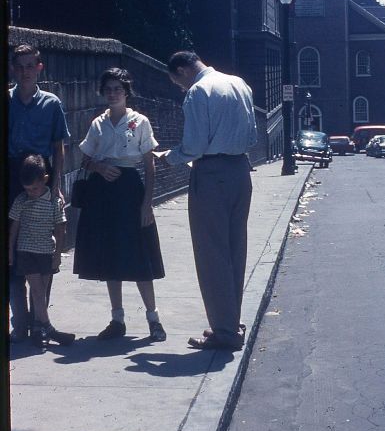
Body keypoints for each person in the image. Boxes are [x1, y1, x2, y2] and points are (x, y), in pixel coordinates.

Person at [156, 50, 257, 351]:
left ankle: (225, 330)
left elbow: (195, 145)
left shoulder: (198, 92)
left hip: (212, 173)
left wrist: (168, 157)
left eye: (178, 83)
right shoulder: (239, 84)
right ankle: (230, 320)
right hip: (241, 169)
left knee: (211, 253)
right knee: (234, 249)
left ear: (183, 70)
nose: (180, 89)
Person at [73, 68, 166, 341]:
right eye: (109, 89)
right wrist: (99, 167)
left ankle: (154, 319)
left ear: (126, 92)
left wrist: (146, 205)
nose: (113, 94)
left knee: (139, 256)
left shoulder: (140, 122)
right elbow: (85, 160)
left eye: (118, 89)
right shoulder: (98, 124)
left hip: (130, 190)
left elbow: (150, 167)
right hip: (103, 192)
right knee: (110, 255)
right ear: (103, 92)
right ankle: (117, 319)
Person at [8, 44, 70, 343]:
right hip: (11, 175)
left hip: (41, 177)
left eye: (30, 65)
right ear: (12, 69)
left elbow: (59, 146)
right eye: (19, 66)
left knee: (42, 251)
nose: (24, 71)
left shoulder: (52, 103)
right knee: (13, 251)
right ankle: (20, 321)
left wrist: (56, 184)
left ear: (40, 67)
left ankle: (39, 321)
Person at [8, 155, 75, 348]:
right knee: (37, 290)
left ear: (45, 179)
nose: (31, 193)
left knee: (42, 293)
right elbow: (14, 227)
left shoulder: (54, 201)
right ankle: (49, 328)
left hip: (46, 251)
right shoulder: (22, 200)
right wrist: (11, 251)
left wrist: (57, 256)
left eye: (34, 188)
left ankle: (39, 328)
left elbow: (60, 228)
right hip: (26, 251)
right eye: (27, 189)